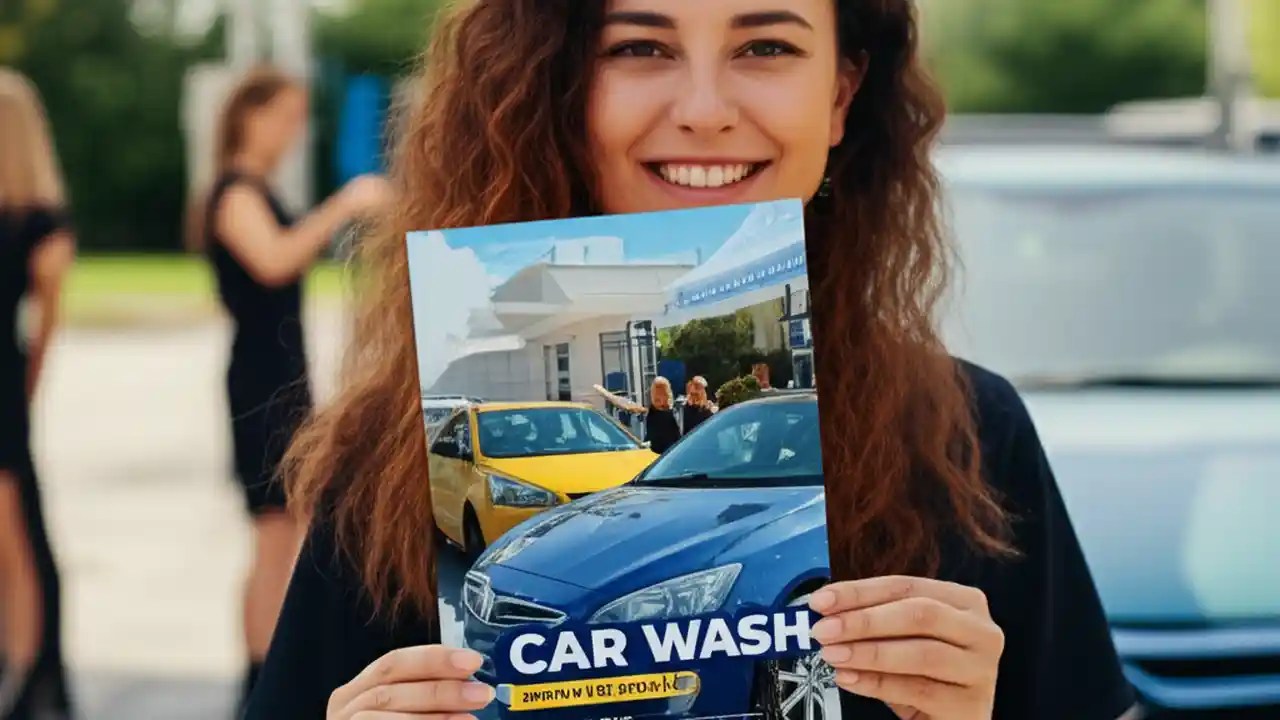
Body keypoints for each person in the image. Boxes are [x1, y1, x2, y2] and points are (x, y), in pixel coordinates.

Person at [245, 2, 1138, 719]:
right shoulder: (390, 456)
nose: (705, 109)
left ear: (840, 95)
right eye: (640, 46)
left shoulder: (971, 440)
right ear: (559, 86)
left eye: (765, 46)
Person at [187, 65, 391, 715]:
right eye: (283, 116)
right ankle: (257, 682)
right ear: (248, 116)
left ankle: (268, 673)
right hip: (259, 385)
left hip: (281, 380)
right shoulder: (234, 192)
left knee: (285, 535)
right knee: (272, 539)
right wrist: (343, 205)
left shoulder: (254, 188)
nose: (292, 131)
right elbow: (273, 258)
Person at [0, 68, 76, 720]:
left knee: (11, 538)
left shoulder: (38, 220)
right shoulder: (38, 221)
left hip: (4, 383)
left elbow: (49, 316)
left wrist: (27, 385)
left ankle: (26, 680)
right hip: (9, 378)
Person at [592, 378, 681, 453]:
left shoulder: (677, 413)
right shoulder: (649, 412)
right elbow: (627, 405)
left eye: (662, 394)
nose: (659, 399)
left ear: (668, 395)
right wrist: (608, 395)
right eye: (656, 396)